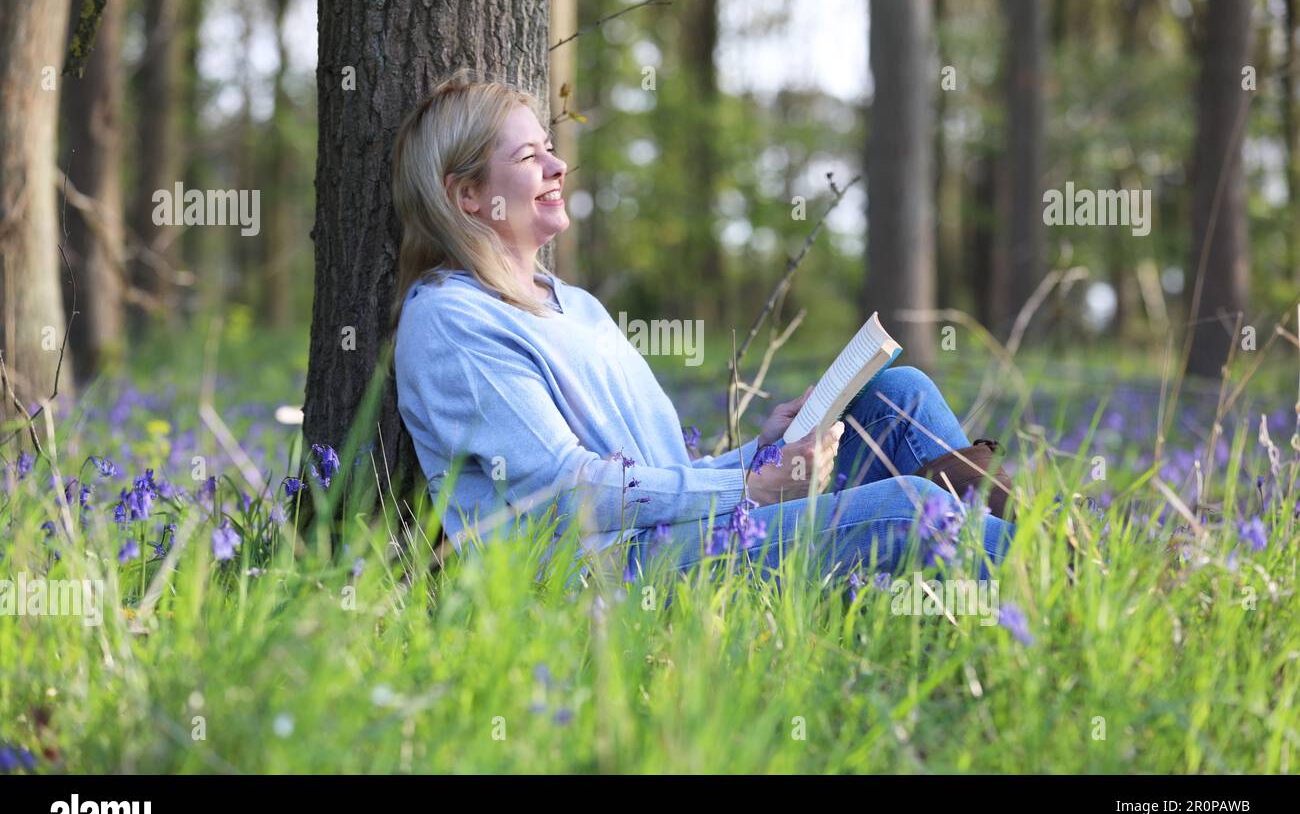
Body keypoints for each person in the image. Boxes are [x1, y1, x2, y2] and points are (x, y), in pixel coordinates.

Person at [391, 73, 1015, 589]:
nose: (558, 165)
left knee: (897, 398)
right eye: (529, 157)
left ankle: (1025, 567)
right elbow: (568, 489)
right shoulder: (452, 320)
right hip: (607, 580)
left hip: (678, 532)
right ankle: (1053, 583)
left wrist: (760, 451)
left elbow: (663, 474)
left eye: (548, 148)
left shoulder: (572, 304)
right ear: (468, 194)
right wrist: (757, 485)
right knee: (911, 506)